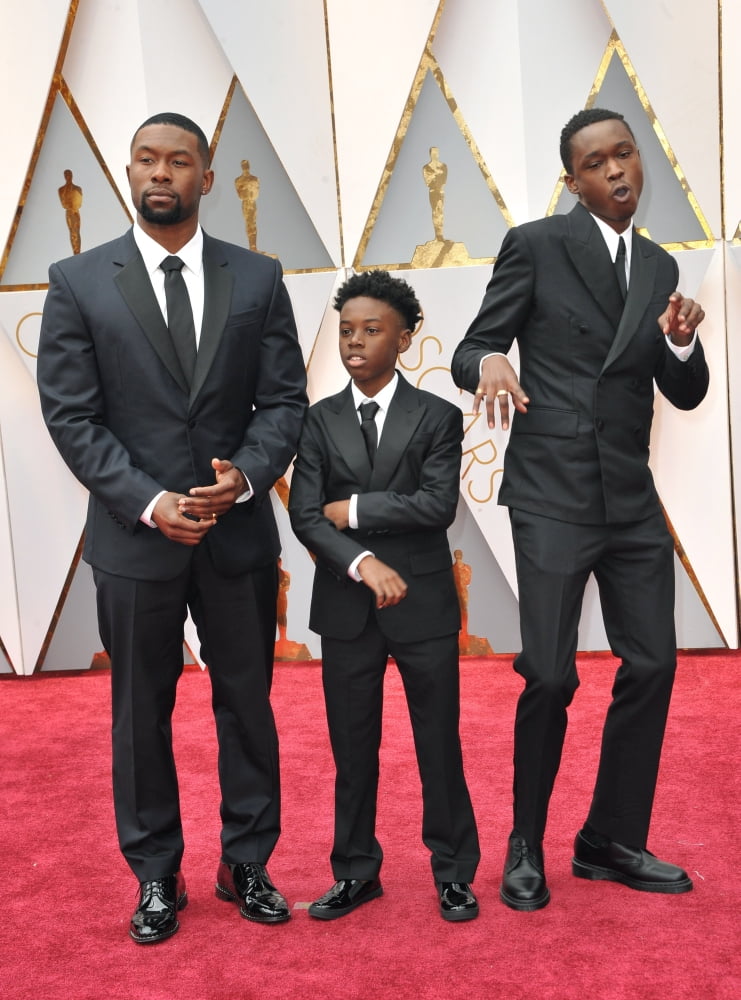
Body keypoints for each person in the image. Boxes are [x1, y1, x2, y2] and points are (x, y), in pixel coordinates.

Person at [37, 112, 308, 943]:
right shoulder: (78, 280)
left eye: (179, 160)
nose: (162, 172)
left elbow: (284, 403)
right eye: (147, 159)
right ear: (128, 172)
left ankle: (246, 863)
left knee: (246, 706)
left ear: (207, 177)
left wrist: (247, 476)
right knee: (138, 711)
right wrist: (152, 503)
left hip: (236, 538)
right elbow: (72, 416)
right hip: (134, 539)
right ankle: (156, 876)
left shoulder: (257, 278)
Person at [451, 107, 708, 911]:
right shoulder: (536, 244)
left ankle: (609, 840)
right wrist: (492, 360)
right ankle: (524, 842)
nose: (615, 171)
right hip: (554, 494)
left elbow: (684, 392)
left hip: (629, 498)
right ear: (573, 182)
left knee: (654, 664)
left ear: (640, 160)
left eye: (623, 154)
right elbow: (470, 348)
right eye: (595, 163)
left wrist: (677, 343)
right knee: (552, 676)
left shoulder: (663, 269)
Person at [289, 269, 480, 922]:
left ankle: (454, 873)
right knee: (351, 749)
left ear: (404, 339)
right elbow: (307, 518)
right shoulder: (317, 421)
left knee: (438, 744)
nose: (355, 342)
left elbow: (435, 505)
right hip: (346, 610)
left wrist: (359, 509)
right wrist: (363, 561)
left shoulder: (438, 416)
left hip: (422, 607)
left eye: (372, 330)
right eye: (346, 330)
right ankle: (353, 872)